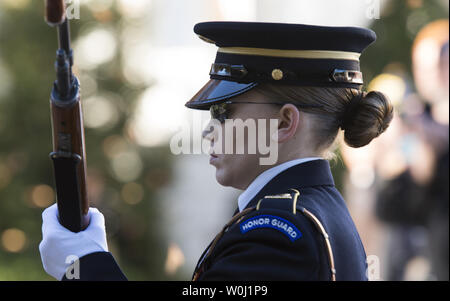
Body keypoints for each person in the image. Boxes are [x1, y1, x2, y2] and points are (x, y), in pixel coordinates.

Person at [39, 22, 393, 281]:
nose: (210, 130)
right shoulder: (312, 212)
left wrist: (83, 265)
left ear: (284, 123)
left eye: (224, 112)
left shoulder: (277, 233)